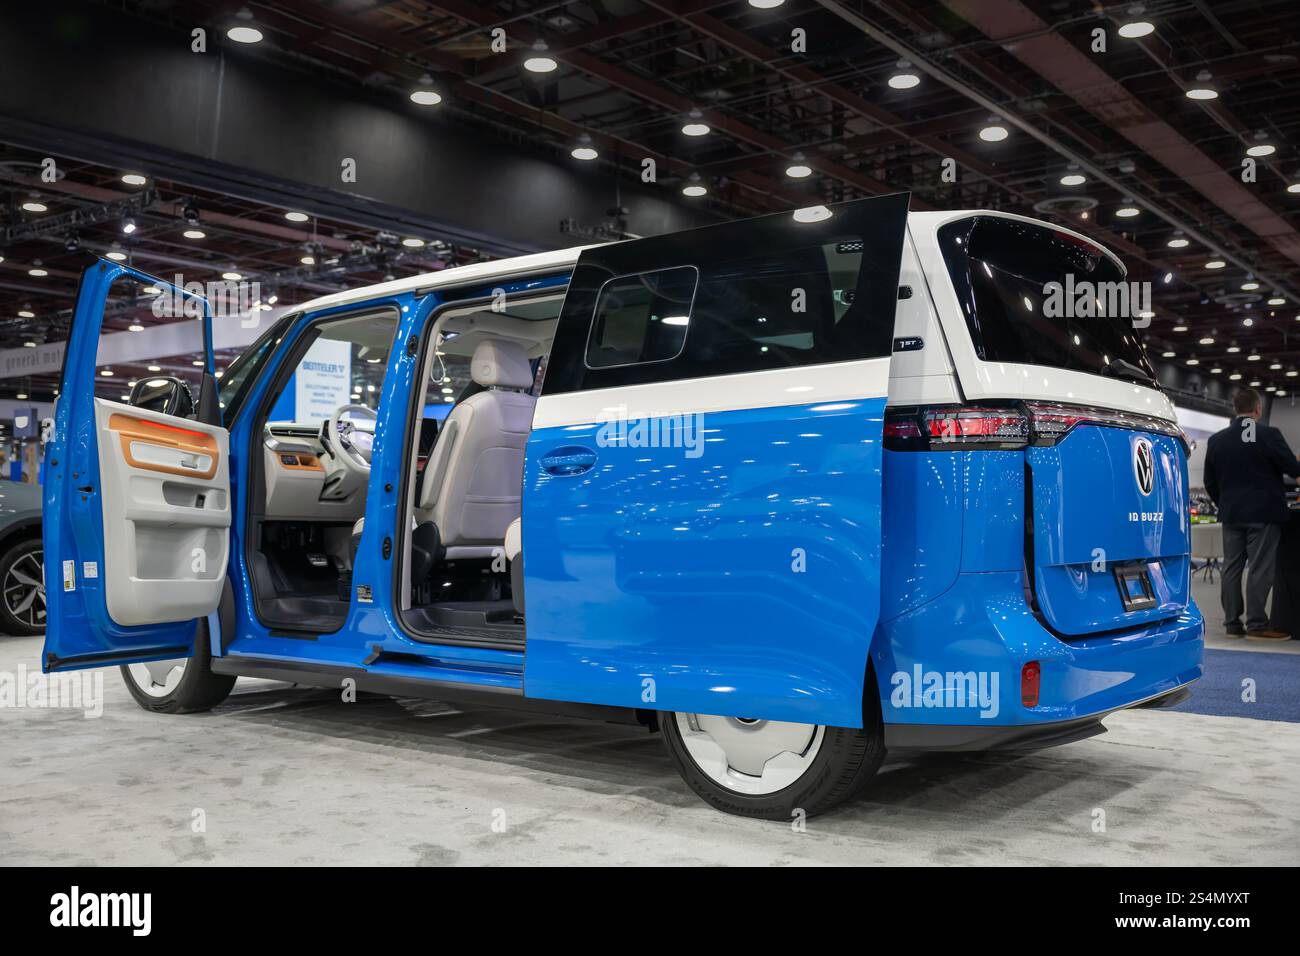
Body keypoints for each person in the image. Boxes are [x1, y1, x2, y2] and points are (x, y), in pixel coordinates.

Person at [1203, 387, 1300, 640]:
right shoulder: (1269, 435)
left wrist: (1225, 502)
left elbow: (1209, 482)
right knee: (1260, 568)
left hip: (1231, 513)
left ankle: (1232, 624)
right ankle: (1257, 625)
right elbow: (1293, 468)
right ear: (1258, 409)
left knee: (1231, 568)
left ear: (1236, 409)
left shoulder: (1217, 440)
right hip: (1264, 513)